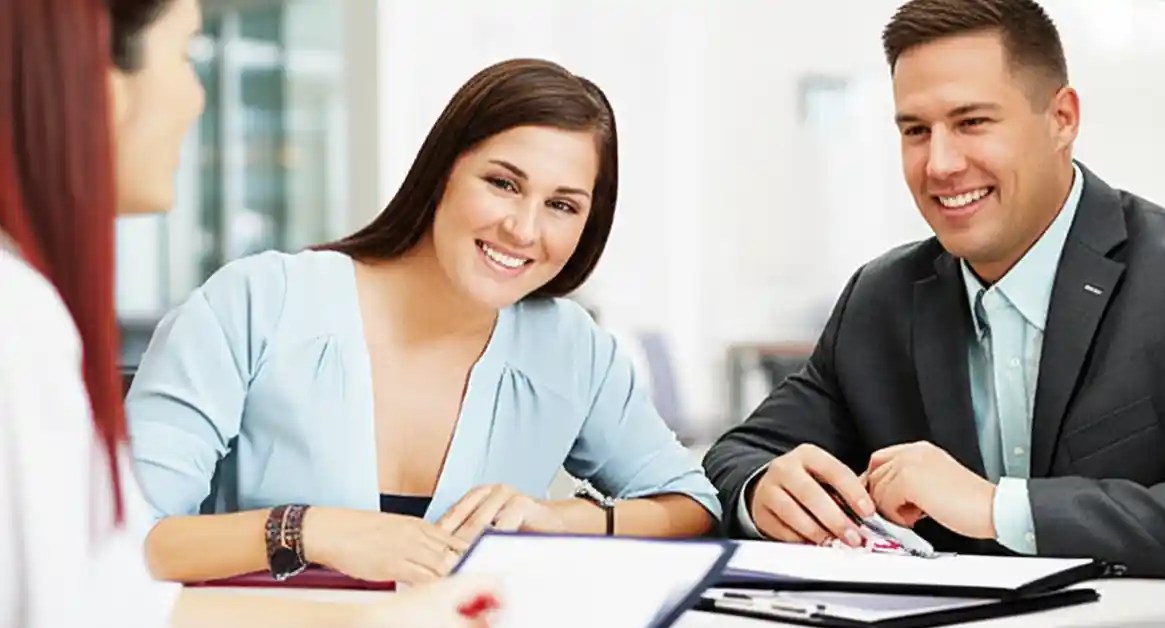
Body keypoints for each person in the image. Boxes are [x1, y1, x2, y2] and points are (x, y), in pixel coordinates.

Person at [0, 1, 499, 628]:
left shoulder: (26, 313)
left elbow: (107, 609)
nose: (198, 96)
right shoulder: (19, 329)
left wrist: (393, 620)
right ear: (104, 89)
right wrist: (306, 532)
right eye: (184, 57)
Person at [703, 0, 1165, 579]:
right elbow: (730, 461)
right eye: (915, 131)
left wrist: (998, 509)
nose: (940, 164)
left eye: (972, 122)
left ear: (1062, 119)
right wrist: (762, 491)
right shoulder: (879, 300)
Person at [126, 57, 720, 586]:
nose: (524, 230)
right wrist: (307, 530)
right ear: (442, 174)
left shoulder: (572, 348)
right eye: (503, 184)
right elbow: (128, 540)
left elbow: (692, 504)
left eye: (562, 205)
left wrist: (560, 519)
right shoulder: (257, 301)